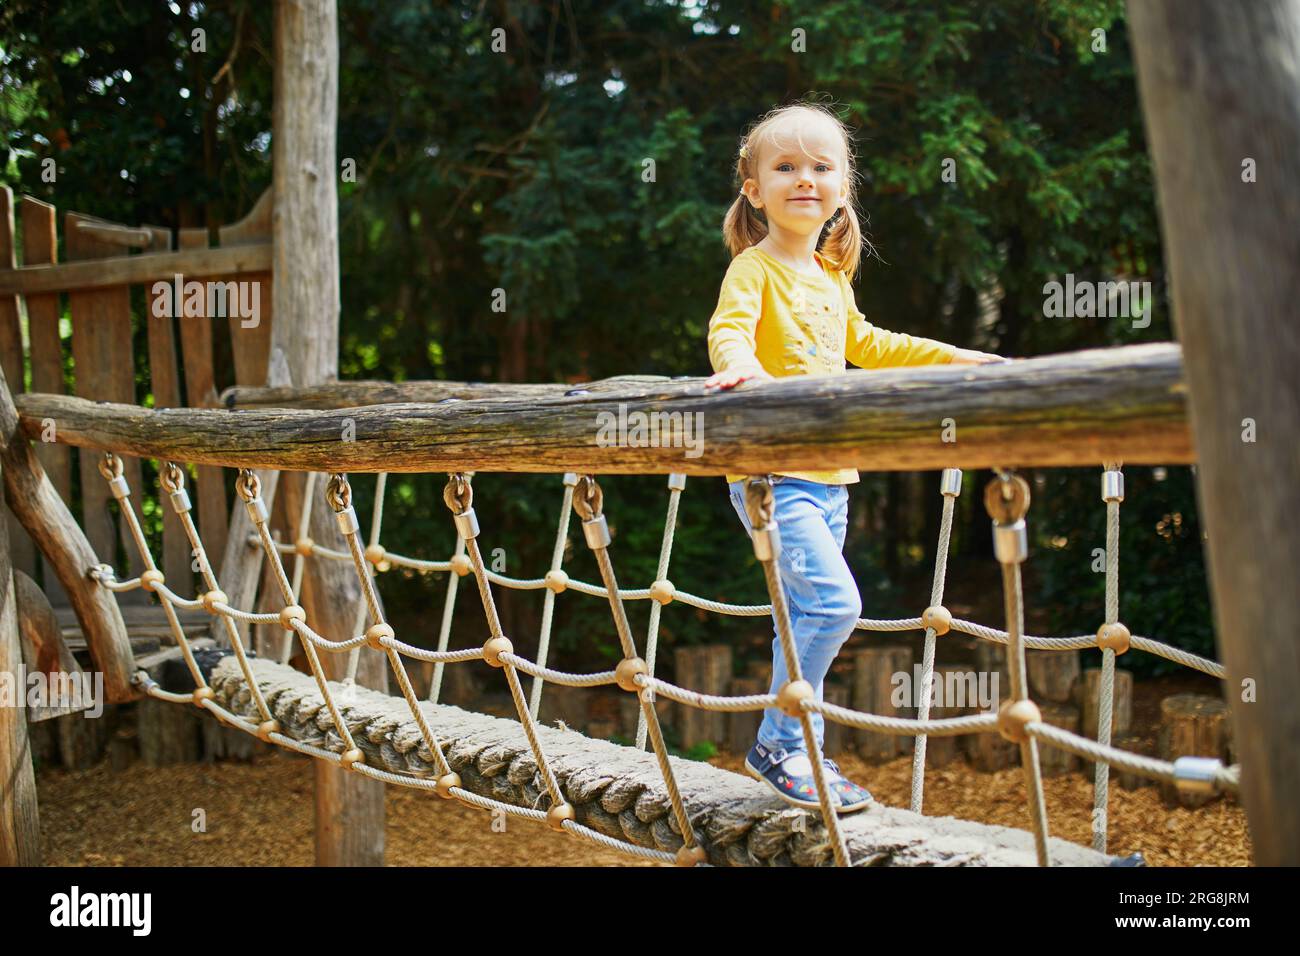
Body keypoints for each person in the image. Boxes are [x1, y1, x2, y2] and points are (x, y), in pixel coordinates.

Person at [704, 103, 1006, 813]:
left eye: (821, 167)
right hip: (774, 477)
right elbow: (730, 329)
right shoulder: (755, 268)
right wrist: (741, 369)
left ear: (842, 188)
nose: (803, 178)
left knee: (802, 620)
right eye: (785, 167)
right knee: (836, 605)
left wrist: (957, 358)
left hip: (832, 479)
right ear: (753, 189)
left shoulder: (829, 278)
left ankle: (794, 747)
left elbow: (871, 345)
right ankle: (780, 744)